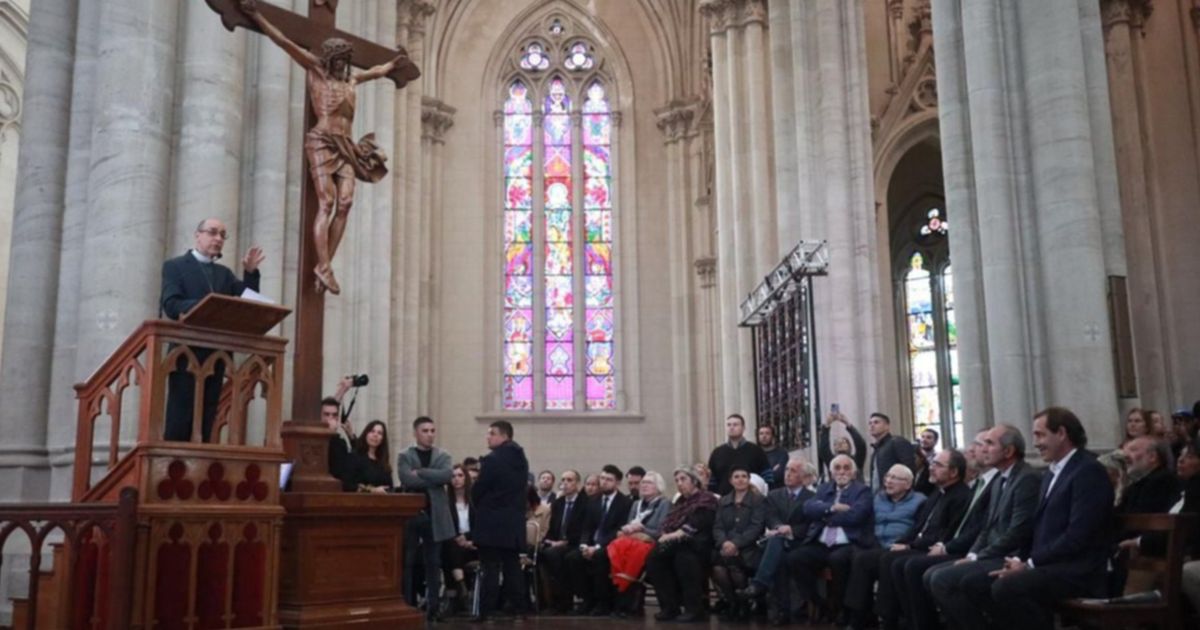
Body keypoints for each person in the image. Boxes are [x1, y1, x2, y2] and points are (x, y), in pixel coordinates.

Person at [240, 0, 408, 295]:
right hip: (321, 140)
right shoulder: (316, 71)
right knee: (327, 203)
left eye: (345, 60)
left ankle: (324, 264)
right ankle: (325, 266)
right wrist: (256, 15)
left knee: (345, 203)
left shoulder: (352, 79)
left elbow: (377, 71)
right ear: (329, 59)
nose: (342, 65)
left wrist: (394, 64)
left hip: (346, 146)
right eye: (338, 60)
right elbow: (284, 41)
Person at [974, 408, 1114, 630]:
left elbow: (1078, 536)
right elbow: (1037, 528)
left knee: (1006, 588)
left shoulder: (1088, 470)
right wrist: (1020, 560)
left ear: (1061, 433)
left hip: (1079, 570)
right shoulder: (1051, 473)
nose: (1035, 443)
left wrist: (1030, 564)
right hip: (1051, 565)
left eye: (1040, 435)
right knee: (977, 581)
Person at [160, 218, 265, 442]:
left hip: (217, 356)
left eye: (222, 235)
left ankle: (199, 462)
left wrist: (250, 273)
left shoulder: (224, 274)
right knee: (180, 420)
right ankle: (174, 463)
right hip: (185, 354)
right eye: (213, 232)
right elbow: (171, 305)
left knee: (207, 421)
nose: (218, 238)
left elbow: (250, 301)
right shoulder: (175, 266)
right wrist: (209, 305)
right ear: (197, 235)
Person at [928, 423, 1041, 630]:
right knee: (932, 575)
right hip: (993, 553)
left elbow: (1018, 531)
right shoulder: (998, 480)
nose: (982, 449)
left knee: (943, 579)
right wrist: (972, 555)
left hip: (1011, 556)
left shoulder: (1027, 478)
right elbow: (987, 528)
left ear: (1008, 451)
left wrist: (979, 557)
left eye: (990, 443)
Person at [847, 450, 969, 630]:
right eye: (932, 463)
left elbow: (944, 534)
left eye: (937, 465)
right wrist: (903, 542)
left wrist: (909, 545)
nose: (931, 468)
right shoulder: (937, 493)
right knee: (864, 559)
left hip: (934, 548)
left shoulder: (960, 496)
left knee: (894, 561)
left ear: (954, 472)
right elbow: (918, 526)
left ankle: (891, 619)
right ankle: (859, 617)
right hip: (917, 544)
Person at [890, 430, 998, 630]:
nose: (972, 450)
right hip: (957, 546)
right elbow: (922, 525)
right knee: (896, 561)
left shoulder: (974, 489)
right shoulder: (972, 486)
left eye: (981, 444)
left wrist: (946, 547)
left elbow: (976, 527)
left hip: (970, 550)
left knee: (915, 566)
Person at [789, 454, 874, 620]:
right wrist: (833, 508)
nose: (841, 472)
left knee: (838, 560)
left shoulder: (862, 491)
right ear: (831, 472)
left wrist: (825, 515)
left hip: (848, 543)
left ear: (853, 473)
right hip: (821, 543)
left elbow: (857, 516)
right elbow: (808, 508)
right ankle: (818, 602)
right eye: (837, 468)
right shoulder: (824, 489)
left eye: (846, 468)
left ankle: (841, 609)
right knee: (795, 558)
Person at [738, 458, 818, 626]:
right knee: (779, 555)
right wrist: (779, 527)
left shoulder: (812, 497)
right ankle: (783, 610)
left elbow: (811, 523)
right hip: (777, 540)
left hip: (800, 542)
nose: (788, 474)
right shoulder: (774, 495)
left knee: (778, 548)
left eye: (793, 471)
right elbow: (770, 516)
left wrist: (791, 530)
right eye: (787, 469)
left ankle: (760, 586)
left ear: (803, 476)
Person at [470, 421, 530, 621]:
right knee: (513, 567)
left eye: (492, 433)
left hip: (492, 522)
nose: (488, 437)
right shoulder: (521, 459)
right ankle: (520, 609)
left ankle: (486, 612)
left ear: (505, 436)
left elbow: (479, 489)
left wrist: (479, 502)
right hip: (513, 522)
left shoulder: (492, 459)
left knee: (490, 568)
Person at [396, 416, 454, 621]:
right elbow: (406, 479)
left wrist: (420, 472)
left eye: (432, 431)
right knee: (408, 561)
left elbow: (446, 476)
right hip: (412, 514)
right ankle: (407, 603)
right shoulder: (405, 455)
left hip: (435, 515)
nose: (430, 435)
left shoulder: (443, 455)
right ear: (416, 433)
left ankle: (433, 607)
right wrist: (432, 478)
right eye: (425, 431)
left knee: (433, 562)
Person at [644, 467, 718, 623]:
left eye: (683, 479)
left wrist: (670, 536)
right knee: (654, 559)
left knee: (683, 559)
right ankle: (669, 607)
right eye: (677, 480)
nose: (679, 483)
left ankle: (694, 609)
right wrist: (666, 534)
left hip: (698, 543)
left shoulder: (706, 499)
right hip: (677, 543)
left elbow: (695, 526)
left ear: (694, 481)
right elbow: (667, 523)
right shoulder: (679, 502)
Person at [567, 464, 632, 616]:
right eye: (602, 478)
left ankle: (603, 603)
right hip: (591, 544)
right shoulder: (593, 500)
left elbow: (619, 530)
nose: (604, 482)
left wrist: (597, 547)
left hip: (610, 544)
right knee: (573, 558)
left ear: (617, 482)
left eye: (609, 479)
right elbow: (587, 527)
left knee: (600, 557)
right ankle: (587, 600)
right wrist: (584, 545)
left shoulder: (625, 503)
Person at [608, 471, 671, 617]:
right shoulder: (636, 504)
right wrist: (628, 530)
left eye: (649, 483)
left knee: (634, 553)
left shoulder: (664, 504)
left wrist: (642, 529)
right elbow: (629, 525)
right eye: (643, 482)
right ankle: (621, 599)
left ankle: (630, 602)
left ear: (658, 486)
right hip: (632, 540)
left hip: (651, 541)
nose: (644, 485)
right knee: (615, 547)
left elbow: (661, 531)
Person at [710, 468, 767, 622]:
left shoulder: (758, 500)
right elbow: (718, 527)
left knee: (735, 566)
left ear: (748, 480)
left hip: (749, 547)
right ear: (731, 481)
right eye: (736, 477)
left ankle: (743, 604)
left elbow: (756, 527)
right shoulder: (723, 501)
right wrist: (724, 543)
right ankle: (732, 603)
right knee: (718, 569)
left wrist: (735, 543)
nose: (740, 479)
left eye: (744, 476)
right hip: (725, 547)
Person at [540, 470, 588, 614]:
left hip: (575, 543)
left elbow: (585, 529)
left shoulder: (585, 503)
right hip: (557, 543)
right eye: (563, 480)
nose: (565, 483)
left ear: (577, 483)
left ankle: (563, 601)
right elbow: (551, 527)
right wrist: (548, 540)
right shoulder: (558, 504)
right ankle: (546, 600)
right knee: (541, 553)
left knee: (557, 555)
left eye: (569, 480)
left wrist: (565, 542)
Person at [442, 464, 476, 615]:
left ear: (466, 478)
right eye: (453, 476)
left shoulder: (475, 501)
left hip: (473, 545)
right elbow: (445, 525)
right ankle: (462, 588)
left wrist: (468, 539)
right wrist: (458, 539)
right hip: (454, 542)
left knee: (449, 555)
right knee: (450, 549)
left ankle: (455, 595)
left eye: (460, 475)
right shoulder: (446, 503)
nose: (456, 479)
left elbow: (481, 526)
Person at [708, 414, 770, 495]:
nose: (731, 427)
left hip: (751, 499)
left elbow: (767, 477)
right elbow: (712, 481)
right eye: (729, 425)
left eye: (735, 425)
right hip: (723, 499)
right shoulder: (717, 453)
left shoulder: (756, 450)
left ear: (743, 428)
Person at [867, 413, 916, 492]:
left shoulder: (898, 442)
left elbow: (909, 468)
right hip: (879, 495)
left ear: (887, 426)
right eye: (870, 423)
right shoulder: (877, 449)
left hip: (897, 493)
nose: (872, 425)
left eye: (876, 422)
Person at [342, 420, 393, 492]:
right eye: (372, 431)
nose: (375, 435)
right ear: (366, 434)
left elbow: (389, 487)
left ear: (382, 439)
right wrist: (372, 490)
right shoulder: (354, 457)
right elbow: (348, 485)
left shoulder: (383, 461)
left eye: (380, 433)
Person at [320, 376, 355, 483]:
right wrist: (341, 391)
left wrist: (351, 436)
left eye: (334, 415)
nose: (330, 418)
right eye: (326, 414)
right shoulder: (315, 438)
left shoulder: (340, 442)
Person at [818, 412, 867, 481]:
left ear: (849, 446)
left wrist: (848, 424)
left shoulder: (856, 459)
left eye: (843, 442)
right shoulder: (832, 460)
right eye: (836, 443)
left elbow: (860, 445)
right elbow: (823, 448)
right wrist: (826, 426)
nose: (840, 444)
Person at [758, 424, 789, 490]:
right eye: (761, 433)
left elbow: (779, 475)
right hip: (760, 492)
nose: (764, 436)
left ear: (772, 436)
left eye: (767, 433)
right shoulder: (755, 453)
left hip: (777, 490)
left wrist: (761, 474)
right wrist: (771, 471)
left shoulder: (781, 453)